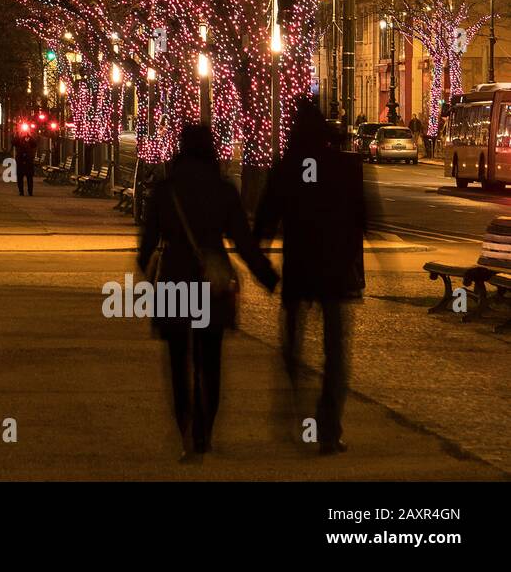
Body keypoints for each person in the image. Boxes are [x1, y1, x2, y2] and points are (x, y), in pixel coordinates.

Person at [137, 123, 278, 461]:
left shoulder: (165, 190)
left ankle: (185, 431)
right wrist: (268, 277)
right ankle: (204, 433)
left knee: (178, 363)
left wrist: (151, 269)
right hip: (211, 284)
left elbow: (144, 249)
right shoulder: (223, 190)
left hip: (174, 281)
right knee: (209, 362)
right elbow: (243, 243)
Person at [255, 98, 374, 455]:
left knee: (292, 346)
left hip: (300, 271)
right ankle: (328, 427)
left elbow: (263, 225)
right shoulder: (345, 166)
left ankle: (297, 407)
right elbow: (363, 220)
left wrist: (266, 274)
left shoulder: (287, 167)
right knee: (335, 353)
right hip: (336, 273)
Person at [12, 123, 38, 196]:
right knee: (20, 177)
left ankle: (30, 192)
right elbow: (13, 143)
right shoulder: (19, 138)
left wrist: (29, 136)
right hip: (20, 160)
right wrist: (18, 135)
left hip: (28, 160)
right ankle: (21, 191)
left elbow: (35, 144)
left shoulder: (31, 138)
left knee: (29, 178)